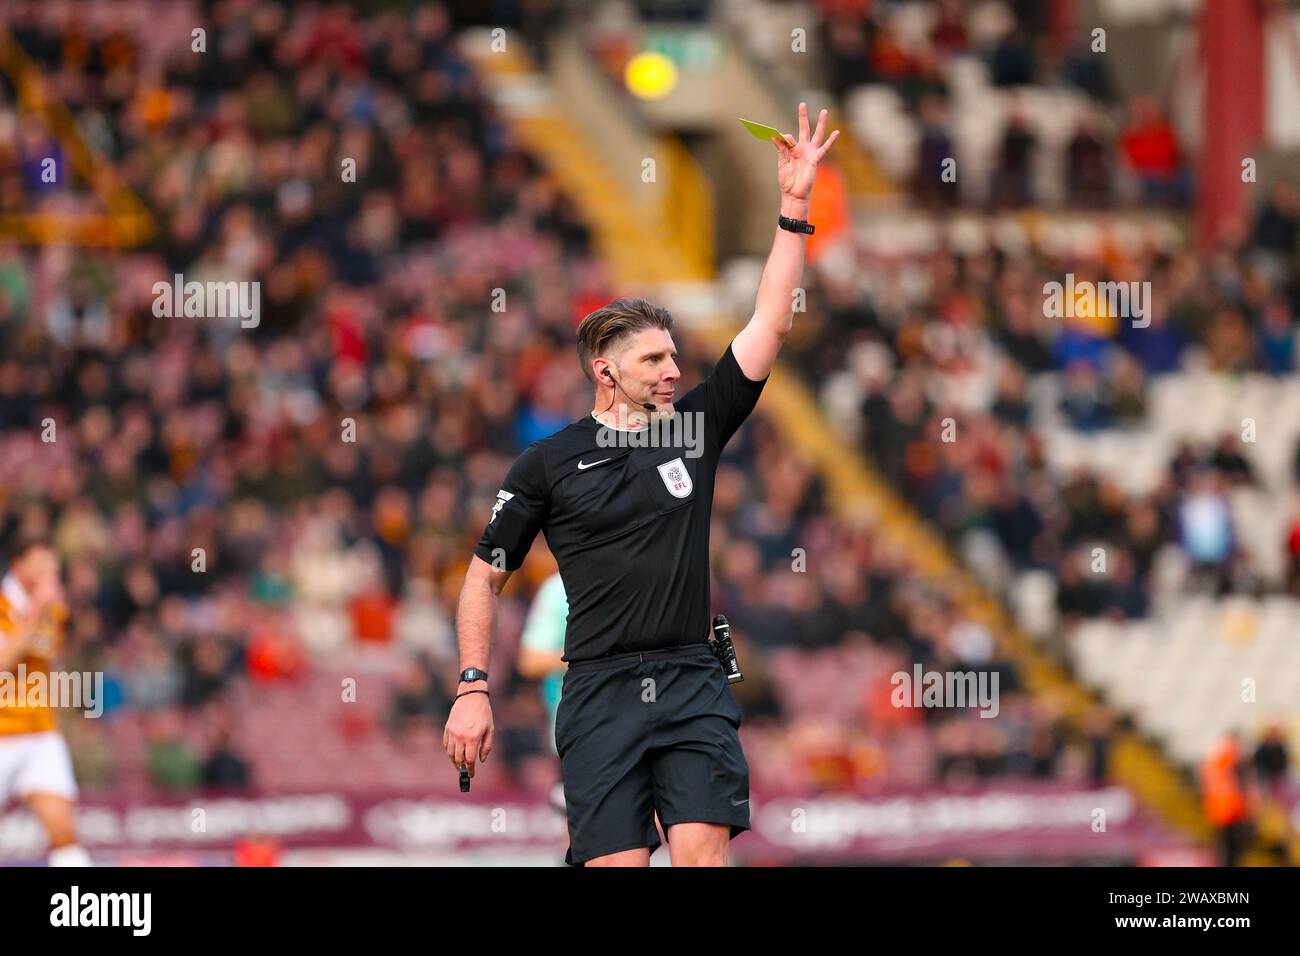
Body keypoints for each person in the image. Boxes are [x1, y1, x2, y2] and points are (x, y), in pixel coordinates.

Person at [444, 104, 839, 866]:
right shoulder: (548, 464)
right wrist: (471, 686)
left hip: (692, 677)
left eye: (672, 356)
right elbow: (482, 577)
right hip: (597, 693)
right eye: (654, 360)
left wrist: (794, 209)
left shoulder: (692, 428)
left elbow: (770, 322)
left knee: (699, 854)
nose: (672, 371)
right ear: (605, 371)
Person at [0, 541, 91, 866]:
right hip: (1, 733)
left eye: (54, 567)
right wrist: (36, 609)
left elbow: (50, 662)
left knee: (64, 834)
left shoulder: (55, 610)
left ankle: (83, 912)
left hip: (39, 732)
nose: (49, 574)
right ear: (19, 565)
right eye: (42, 565)